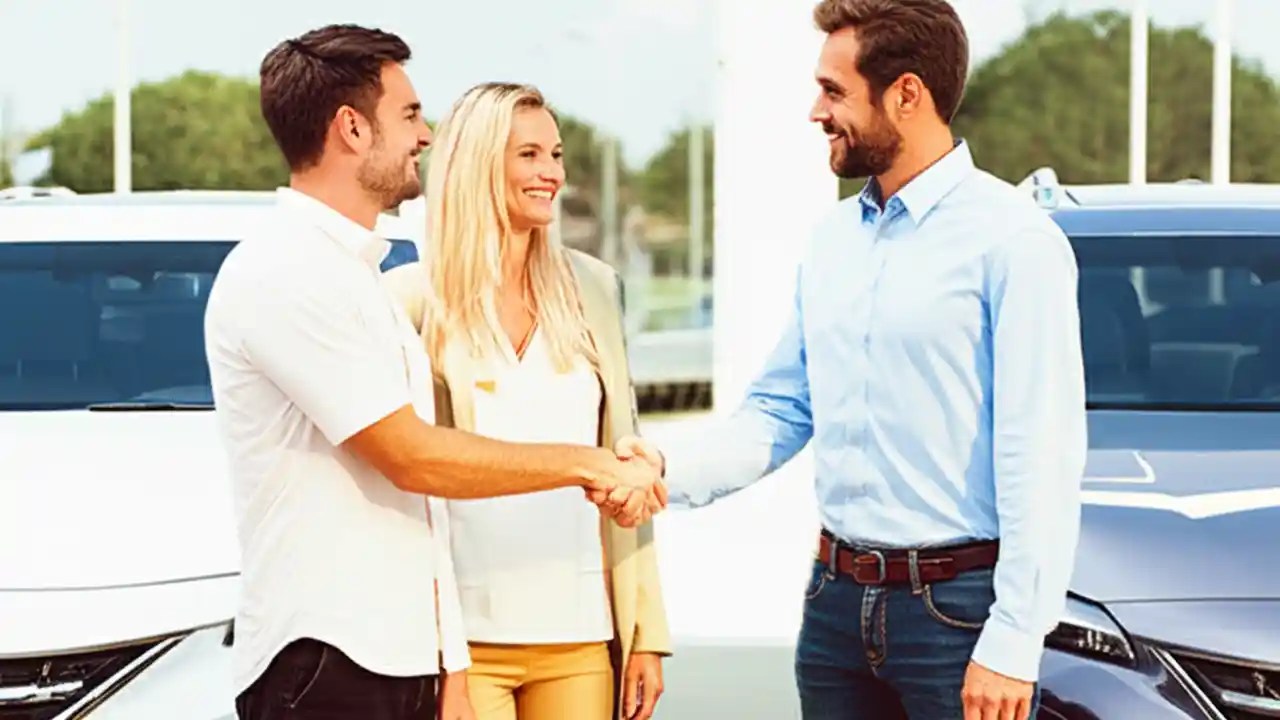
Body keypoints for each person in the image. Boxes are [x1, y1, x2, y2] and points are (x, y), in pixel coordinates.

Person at [616, 1, 1087, 718]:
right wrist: (662, 471)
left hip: (956, 618)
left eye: (834, 91)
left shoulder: (1014, 241)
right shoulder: (834, 240)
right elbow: (782, 408)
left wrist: (1016, 638)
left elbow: (1041, 451)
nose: (815, 111)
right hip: (834, 606)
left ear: (906, 94)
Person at [204, 26, 661, 720]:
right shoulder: (292, 273)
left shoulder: (353, 275)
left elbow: (421, 519)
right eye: (410, 116)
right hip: (334, 655)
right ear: (352, 129)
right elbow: (415, 459)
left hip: (397, 655)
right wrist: (591, 466)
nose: (425, 136)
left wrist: (446, 664)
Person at [382, 81, 671, 720]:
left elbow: (622, 445)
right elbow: (411, 470)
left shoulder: (595, 288)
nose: (551, 174)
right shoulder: (411, 300)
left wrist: (646, 634)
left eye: (557, 155)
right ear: (481, 161)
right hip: (463, 643)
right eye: (530, 155)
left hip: (580, 632)